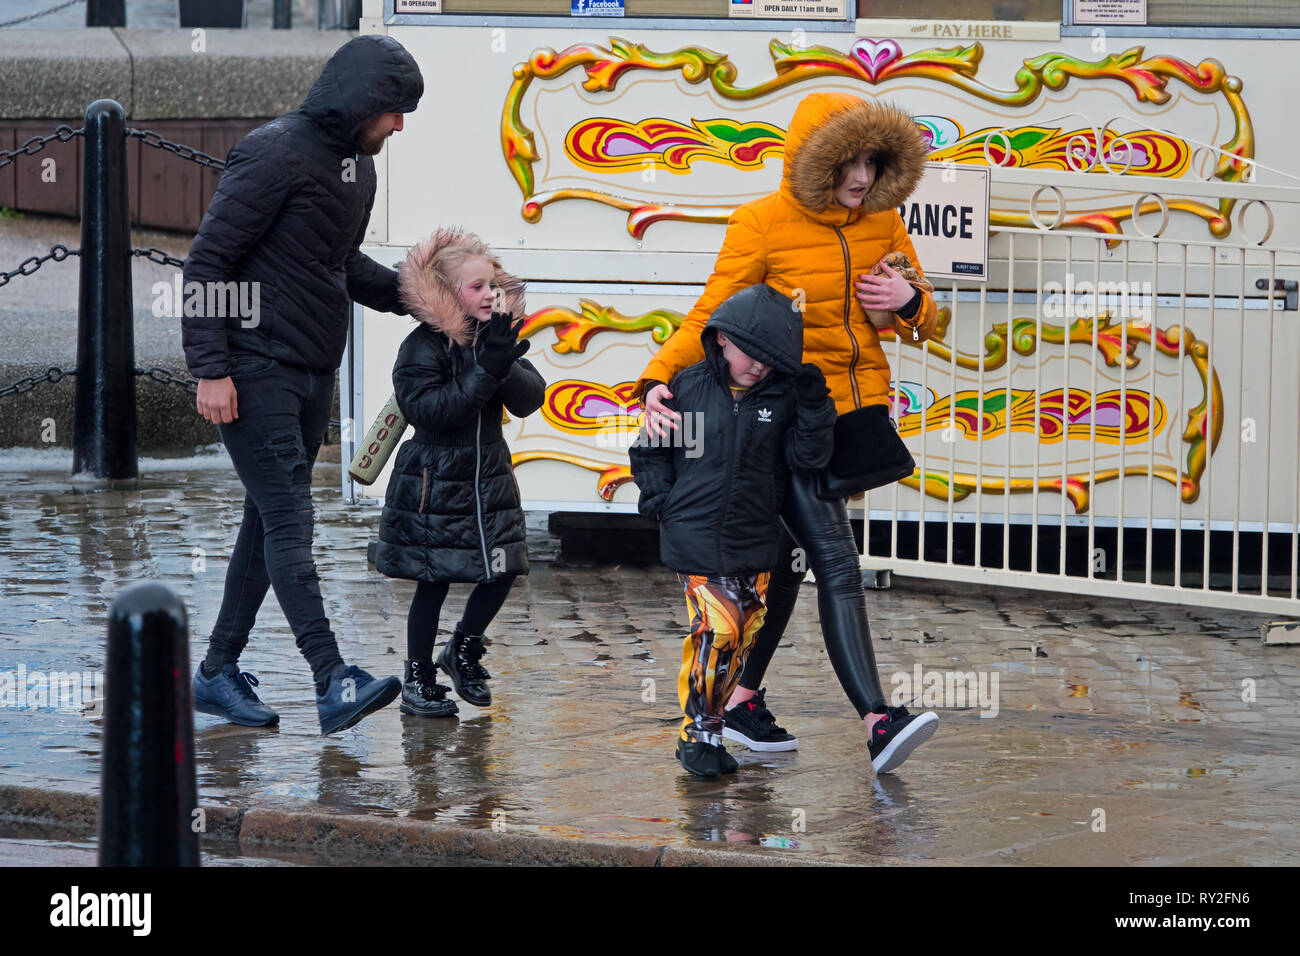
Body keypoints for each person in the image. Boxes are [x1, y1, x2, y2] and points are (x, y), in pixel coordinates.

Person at [636, 92, 941, 773]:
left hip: (854, 421)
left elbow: (927, 321)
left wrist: (911, 302)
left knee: (779, 568)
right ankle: (877, 719)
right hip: (787, 423)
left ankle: (740, 700)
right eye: (848, 163)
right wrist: (654, 379)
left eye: (872, 161)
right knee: (834, 559)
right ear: (816, 161)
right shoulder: (761, 224)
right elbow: (710, 315)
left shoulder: (884, 221)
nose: (861, 178)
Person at [183, 35, 424, 735]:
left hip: (312, 371)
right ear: (360, 103)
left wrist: (430, 301)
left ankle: (216, 673)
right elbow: (207, 265)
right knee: (291, 522)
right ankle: (332, 678)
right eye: (393, 111)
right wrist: (211, 369)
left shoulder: (356, 167)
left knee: (265, 522)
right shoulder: (273, 152)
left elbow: (341, 265)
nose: (399, 126)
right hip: (253, 369)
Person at [629, 283, 836, 778]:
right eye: (751, 353)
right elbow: (651, 451)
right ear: (721, 338)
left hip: (756, 539)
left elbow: (808, 458)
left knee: (741, 638)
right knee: (717, 631)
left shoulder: (783, 399)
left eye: (770, 358)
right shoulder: (689, 388)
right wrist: (662, 501)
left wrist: (814, 407)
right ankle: (696, 734)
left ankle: (713, 729)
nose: (758, 366)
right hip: (695, 537)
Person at [374, 228, 545, 714]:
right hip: (434, 478)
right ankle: (417, 675)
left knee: (504, 567)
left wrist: (502, 362)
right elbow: (434, 411)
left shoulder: (496, 336)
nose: (489, 293)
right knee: (435, 579)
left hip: (489, 472)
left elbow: (531, 399)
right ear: (448, 295)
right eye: (476, 287)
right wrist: (483, 370)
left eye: (492, 284)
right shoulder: (421, 348)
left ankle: (463, 648)